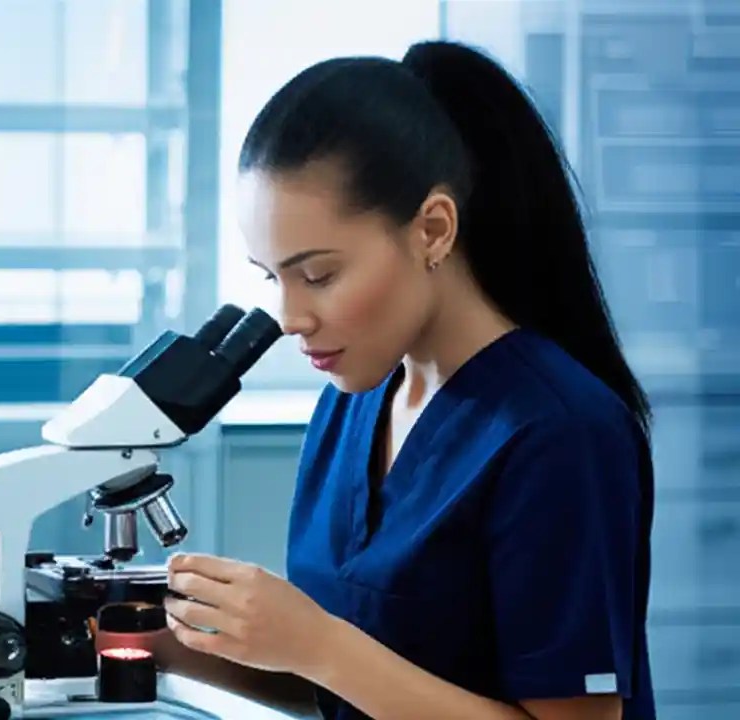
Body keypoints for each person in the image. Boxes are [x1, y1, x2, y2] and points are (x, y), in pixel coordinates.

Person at [157, 39, 656, 720]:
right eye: (272, 278)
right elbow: (350, 688)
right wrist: (166, 642)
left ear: (433, 230)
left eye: (320, 275)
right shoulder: (354, 400)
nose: (291, 318)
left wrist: (319, 644)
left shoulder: (561, 434)